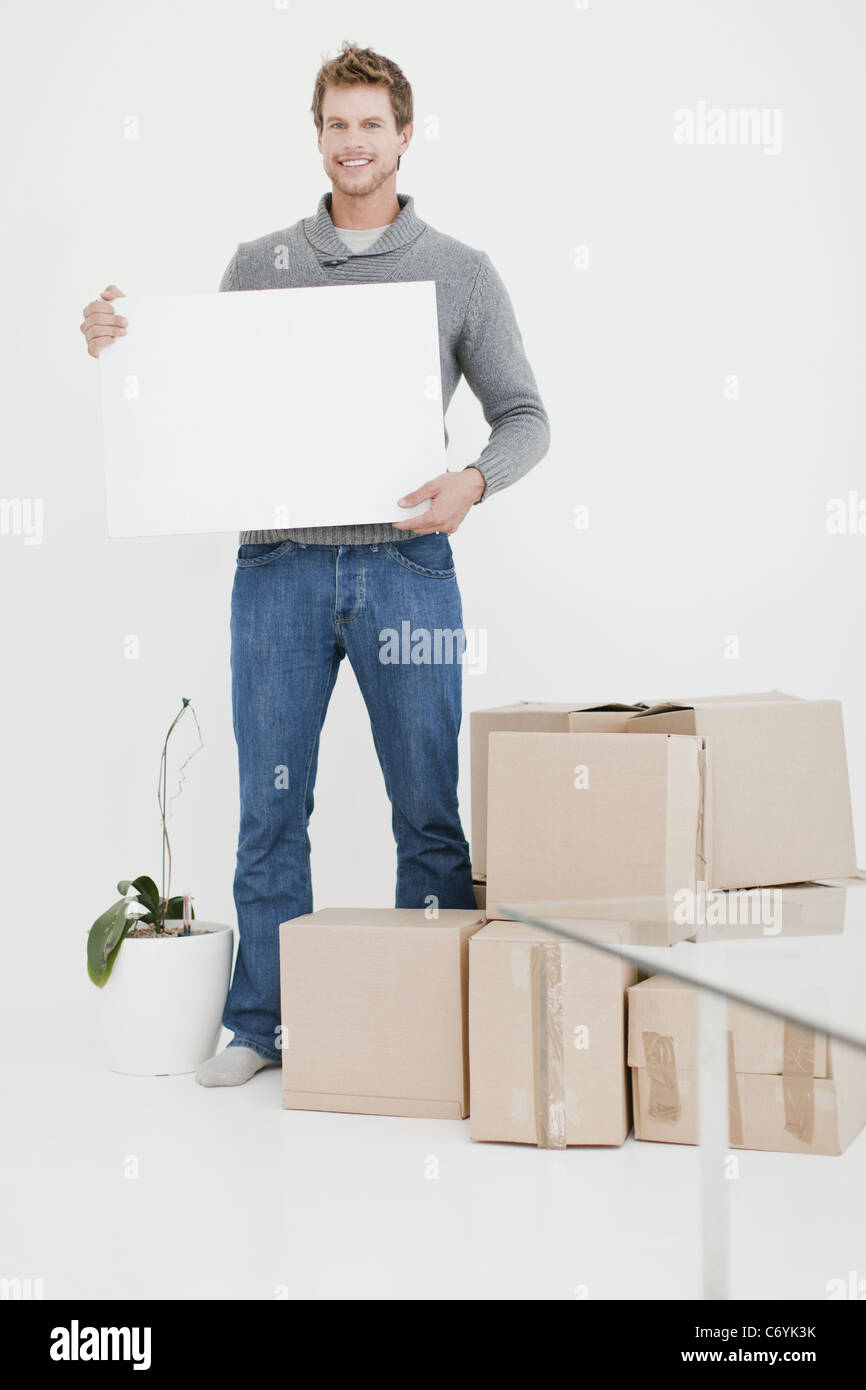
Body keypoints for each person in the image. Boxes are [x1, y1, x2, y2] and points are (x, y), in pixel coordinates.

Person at [80, 40, 550, 1086]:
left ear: (403, 135)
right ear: (318, 136)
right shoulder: (261, 264)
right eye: (336, 124)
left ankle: (427, 1024)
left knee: (426, 811)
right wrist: (123, 348)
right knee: (269, 809)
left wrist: (471, 482)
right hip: (279, 573)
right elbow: (193, 402)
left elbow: (525, 416)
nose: (353, 143)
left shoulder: (459, 271)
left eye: (370, 125)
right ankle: (262, 1026)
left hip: (405, 571)